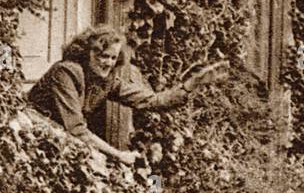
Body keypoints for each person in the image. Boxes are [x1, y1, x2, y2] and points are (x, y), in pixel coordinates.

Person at [27, 24, 228, 164]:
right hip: (30, 136)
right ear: (86, 52)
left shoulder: (107, 82)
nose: (107, 62)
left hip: (58, 142)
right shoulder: (67, 71)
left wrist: (192, 83)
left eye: (113, 57)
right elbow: (77, 130)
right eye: (102, 55)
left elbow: (154, 100)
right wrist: (118, 155)